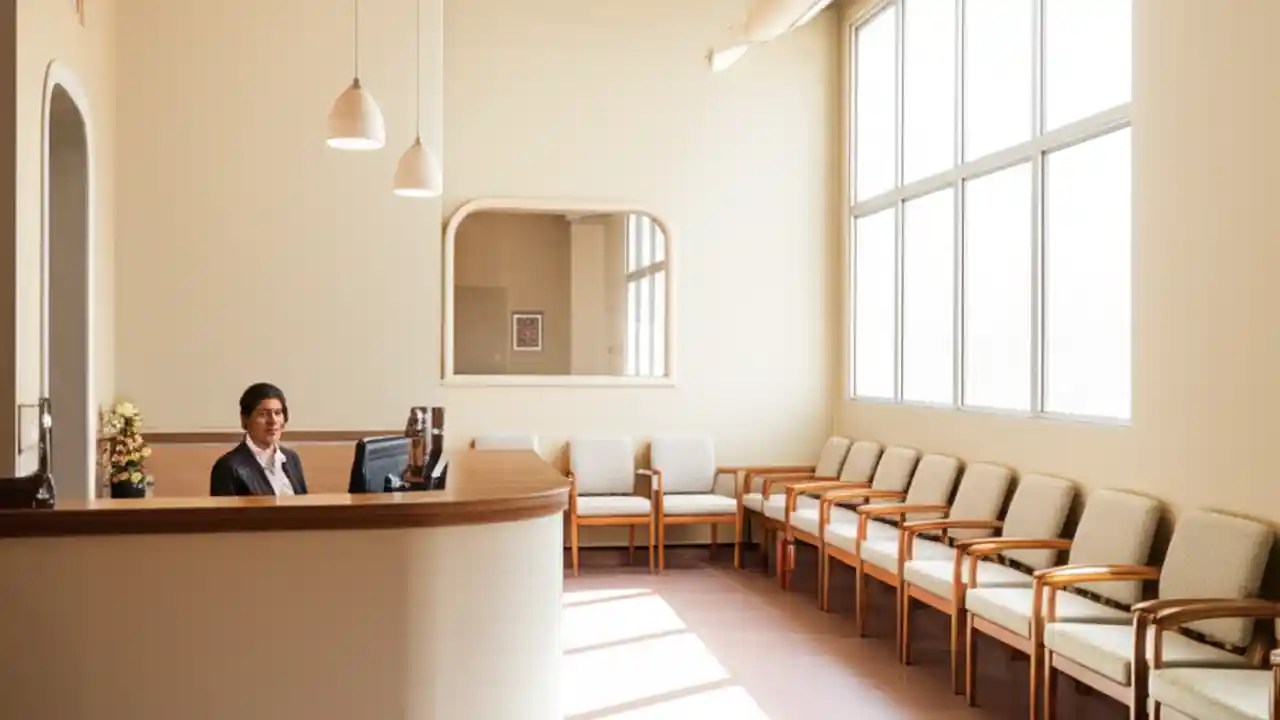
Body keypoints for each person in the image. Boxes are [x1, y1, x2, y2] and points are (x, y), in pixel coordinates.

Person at [210, 382, 308, 496]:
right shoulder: (228, 467)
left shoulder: (291, 458)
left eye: (278, 413)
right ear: (245, 419)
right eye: (263, 414)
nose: (272, 421)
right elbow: (224, 514)